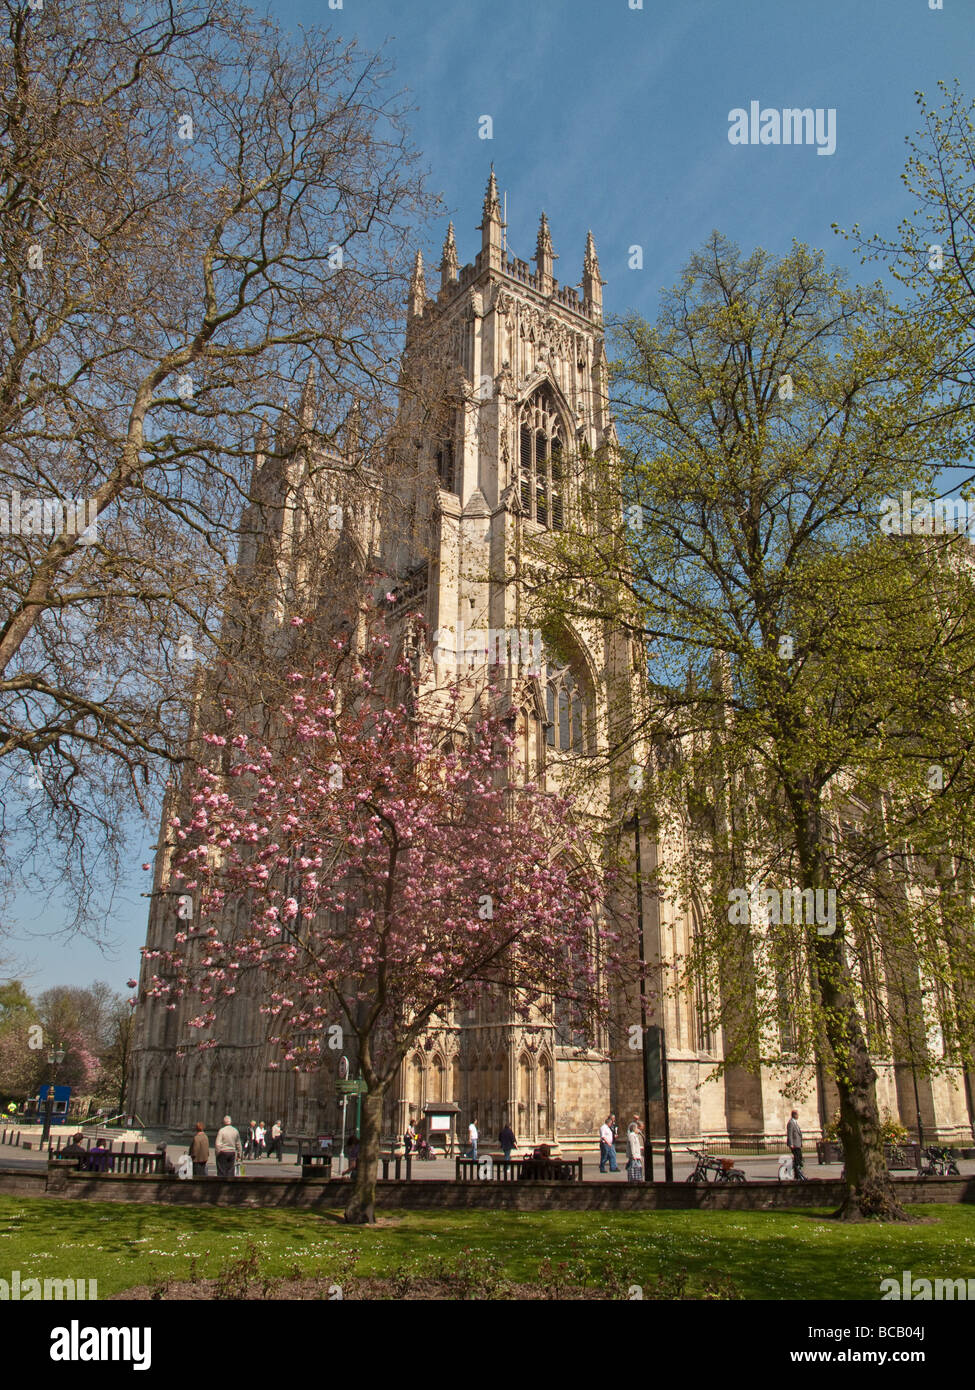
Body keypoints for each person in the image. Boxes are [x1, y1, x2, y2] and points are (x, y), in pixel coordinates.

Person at [787, 1110, 804, 1179]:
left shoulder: (795, 1123)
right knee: (797, 1158)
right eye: (797, 1114)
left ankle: (797, 1172)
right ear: (794, 1115)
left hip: (797, 1144)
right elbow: (790, 1134)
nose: (798, 1116)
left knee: (799, 1158)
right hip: (794, 1144)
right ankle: (797, 1174)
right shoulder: (791, 1123)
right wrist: (791, 1144)